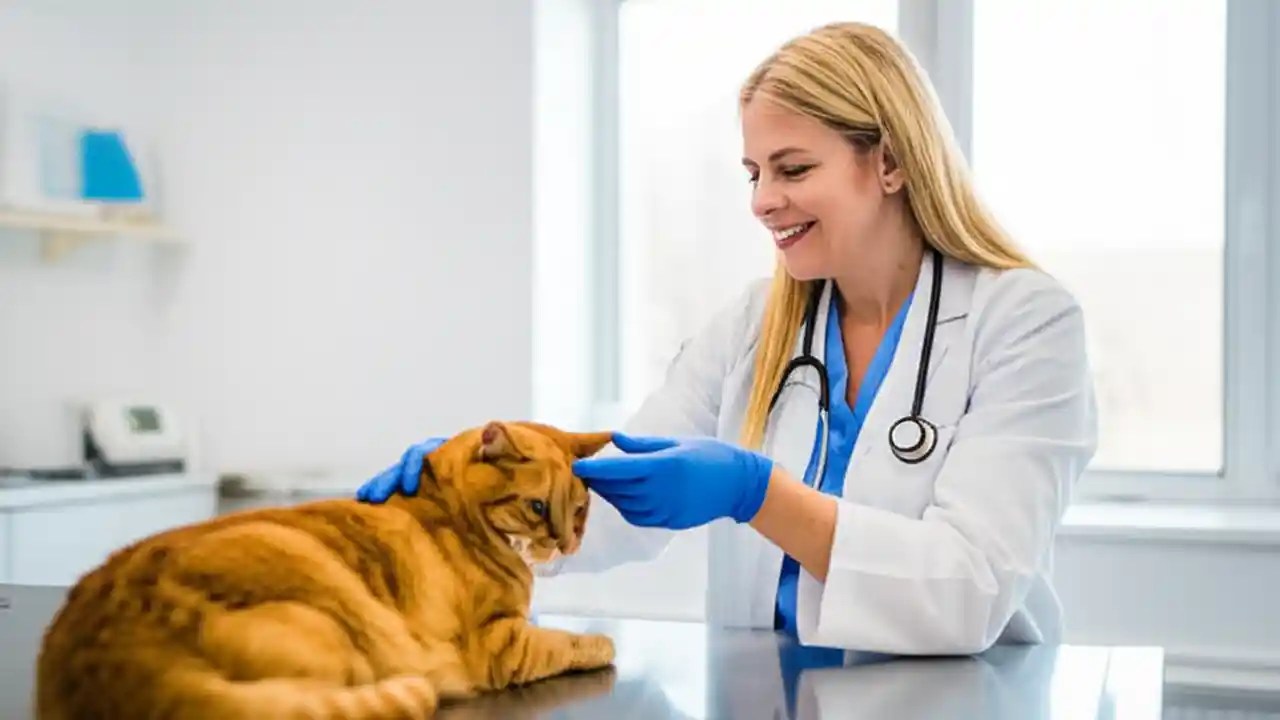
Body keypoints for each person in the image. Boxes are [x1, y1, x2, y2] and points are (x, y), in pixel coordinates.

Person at [357, 21, 1097, 656]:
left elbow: (970, 587)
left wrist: (755, 493)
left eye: (793, 169)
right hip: (771, 688)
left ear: (891, 161)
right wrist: (460, 500)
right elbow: (617, 493)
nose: (762, 201)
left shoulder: (1026, 322)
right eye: (753, 173)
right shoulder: (756, 323)